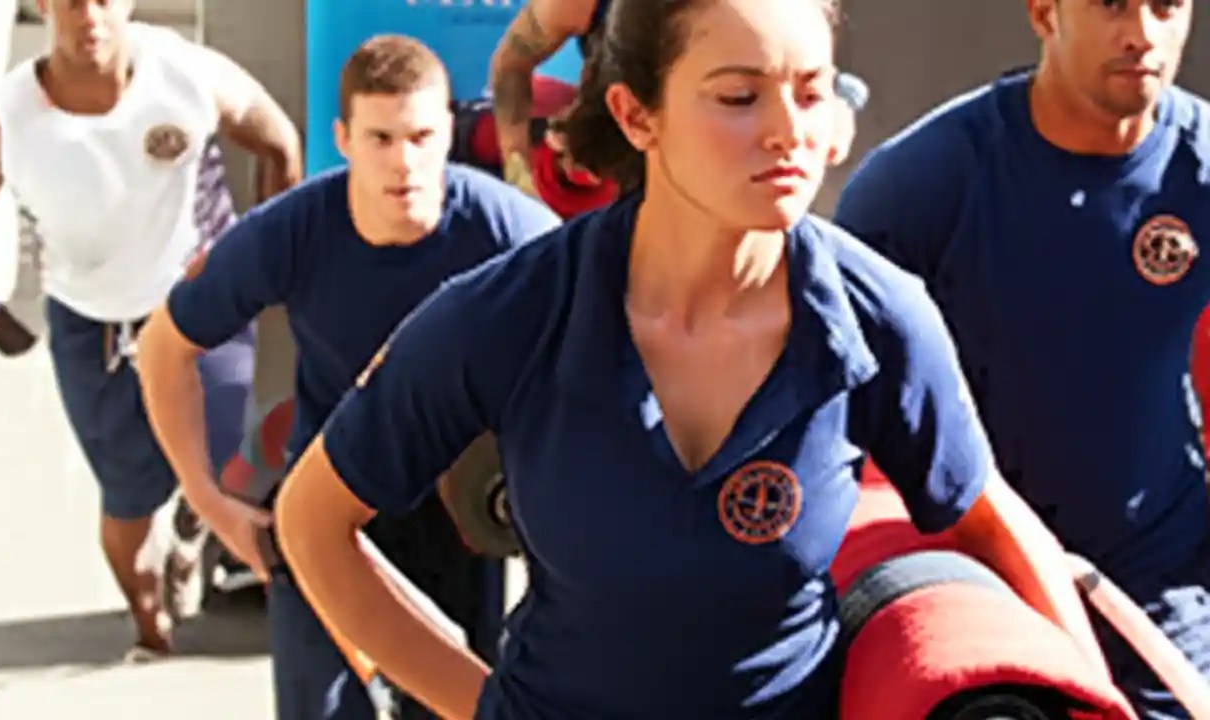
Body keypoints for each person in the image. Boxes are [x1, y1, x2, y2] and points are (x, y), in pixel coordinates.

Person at [272, 1, 1113, 718]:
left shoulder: (877, 317)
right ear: (638, 116)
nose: (790, 130)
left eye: (812, 92)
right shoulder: (512, 311)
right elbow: (312, 521)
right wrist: (481, 703)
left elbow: (993, 523)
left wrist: (1095, 702)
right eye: (740, 97)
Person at [135, 35, 562, 720]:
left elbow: (605, 356)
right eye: (381, 138)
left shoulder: (513, 236)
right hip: (325, 506)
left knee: (462, 709)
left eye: (422, 136)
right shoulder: (296, 230)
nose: (405, 161)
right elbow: (164, 347)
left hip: (456, 518)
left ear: (449, 131)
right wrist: (211, 501)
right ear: (344, 138)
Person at [832, 0, 1209, 716]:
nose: (1142, 33)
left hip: (1164, 583)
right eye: (1111, 5)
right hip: (978, 582)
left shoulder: (1202, 164)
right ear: (1044, 12)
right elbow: (829, 415)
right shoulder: (924, 180)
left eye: (1166, 6)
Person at [0, 0, 302, 661]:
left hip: (197, 313)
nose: (90, 17)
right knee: (128, 506)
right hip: (92, 328)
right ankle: (150, 628)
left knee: (224, 471)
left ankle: (195, 531)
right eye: (71, 1)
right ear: (43, 7)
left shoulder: (184, 73)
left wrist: (261, 263)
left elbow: (277, 140)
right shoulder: (6, 120)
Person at [487, 0, 869, 196]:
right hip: (628, 171)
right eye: (737, 96)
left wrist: (833, 104)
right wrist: (519, 174)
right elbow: (510, 65)